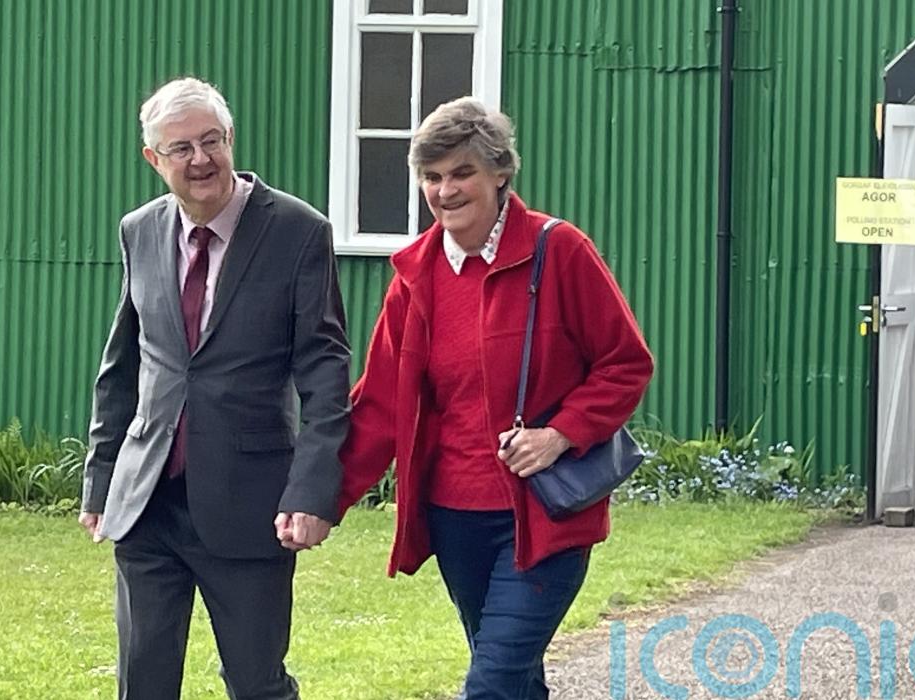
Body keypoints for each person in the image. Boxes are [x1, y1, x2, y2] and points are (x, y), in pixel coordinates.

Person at [337, 97, 653, 699]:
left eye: (462, 173)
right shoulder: (415, 276)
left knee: (491, 683)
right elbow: (379, 403)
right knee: (513, 679)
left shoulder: (559, 251)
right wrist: (318, 499)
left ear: (500, 173)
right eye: (431, 177)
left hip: (543, 514)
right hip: (456, 520)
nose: (444, 190)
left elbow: (626, 362)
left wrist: (560, 433)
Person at [78, 76, 351, 700]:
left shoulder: (298, 232)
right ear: (154, 159)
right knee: (142, 684)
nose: (200, 159)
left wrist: (312, 490)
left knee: (256, 684)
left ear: (231, 139)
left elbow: (325, 370)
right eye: (181, 148)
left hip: (250, 504)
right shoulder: (139, 230)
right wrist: (101, 481)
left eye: (211, 141)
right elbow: (123, 364)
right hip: (147, 503)